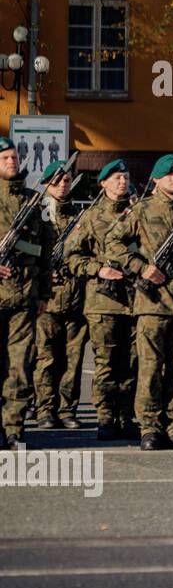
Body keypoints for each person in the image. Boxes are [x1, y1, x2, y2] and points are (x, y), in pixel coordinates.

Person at [107, 154, 173, 451]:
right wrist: (142, 267)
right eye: (169, 175)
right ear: (157, 179)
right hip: (152, 304)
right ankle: (149, 428)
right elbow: (114, 242)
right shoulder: (141, 210)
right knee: (150, 367)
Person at [64, 158, 138, 441]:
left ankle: (126, 416)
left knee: (131, 363)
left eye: (126, 176)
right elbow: (72, 257)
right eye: (116, 177)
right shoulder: (91, 217)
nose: (123, 181)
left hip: (136, 299)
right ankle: (106, 418)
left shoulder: (137, 213)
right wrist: (98, 269)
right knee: (106, 363)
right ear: (104, 182)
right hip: (103, 301)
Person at [0, 139, 53, 449]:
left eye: (14, 157)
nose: (12, 161)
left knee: (21, 365)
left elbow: (45, 251)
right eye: (5, 157)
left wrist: (44, 292)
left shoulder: (34, 202)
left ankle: (14, 427)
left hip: (24, 297)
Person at [34, 160, 88, 431]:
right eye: (58, 181)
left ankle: (68, 409)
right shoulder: (38, 213)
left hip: (76, 298)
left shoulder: (78, 216)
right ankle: (45, 409)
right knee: (46, 358)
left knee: (73, 359)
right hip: (49, 298)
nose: (63, 185)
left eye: (67, 180)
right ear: (46, 184)